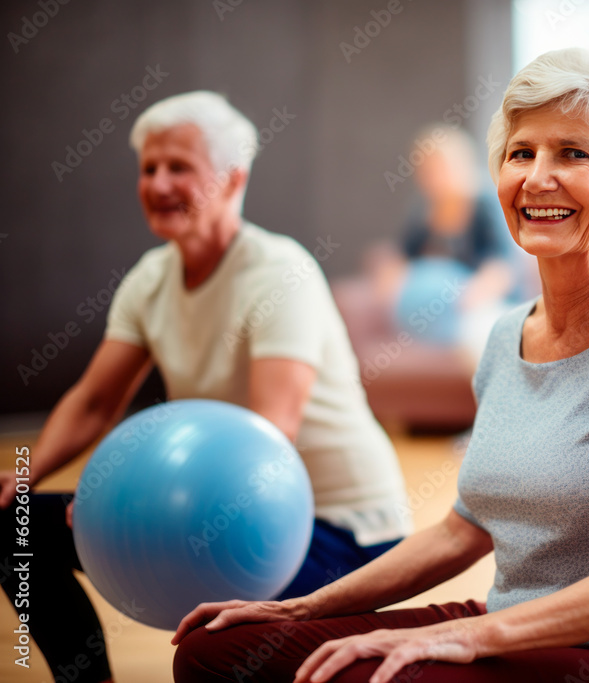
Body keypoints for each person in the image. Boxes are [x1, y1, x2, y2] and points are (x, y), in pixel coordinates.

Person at [171, 49, 589, 683]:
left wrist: (474, 634)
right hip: (508, 626)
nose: (536, 178)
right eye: (521, 153)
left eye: (574, 154)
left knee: (389, 679)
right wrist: (304, 609)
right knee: (215, 650)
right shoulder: (506, 337)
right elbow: (463, 528)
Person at [0, 91, 411, 683]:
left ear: (233, 178)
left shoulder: (279, 271)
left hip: (341, 530)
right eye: (148, 168)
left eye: (180, 167)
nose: (159, 183)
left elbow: (271, 436)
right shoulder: (150, 279)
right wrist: (24, 471)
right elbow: (94, 401)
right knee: (15, 526)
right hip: (220, 507)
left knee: (220, 645)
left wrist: (119, 504)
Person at [372, 125, 518, 365]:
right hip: (434, 313)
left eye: (439, 168)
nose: (433, 177)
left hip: (481, 306)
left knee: (476, 335)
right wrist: (391, 283)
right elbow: (401, 258)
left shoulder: (485, 204)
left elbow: (503, 267)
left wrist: (472, 297)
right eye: (426, 170)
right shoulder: (424, 209)